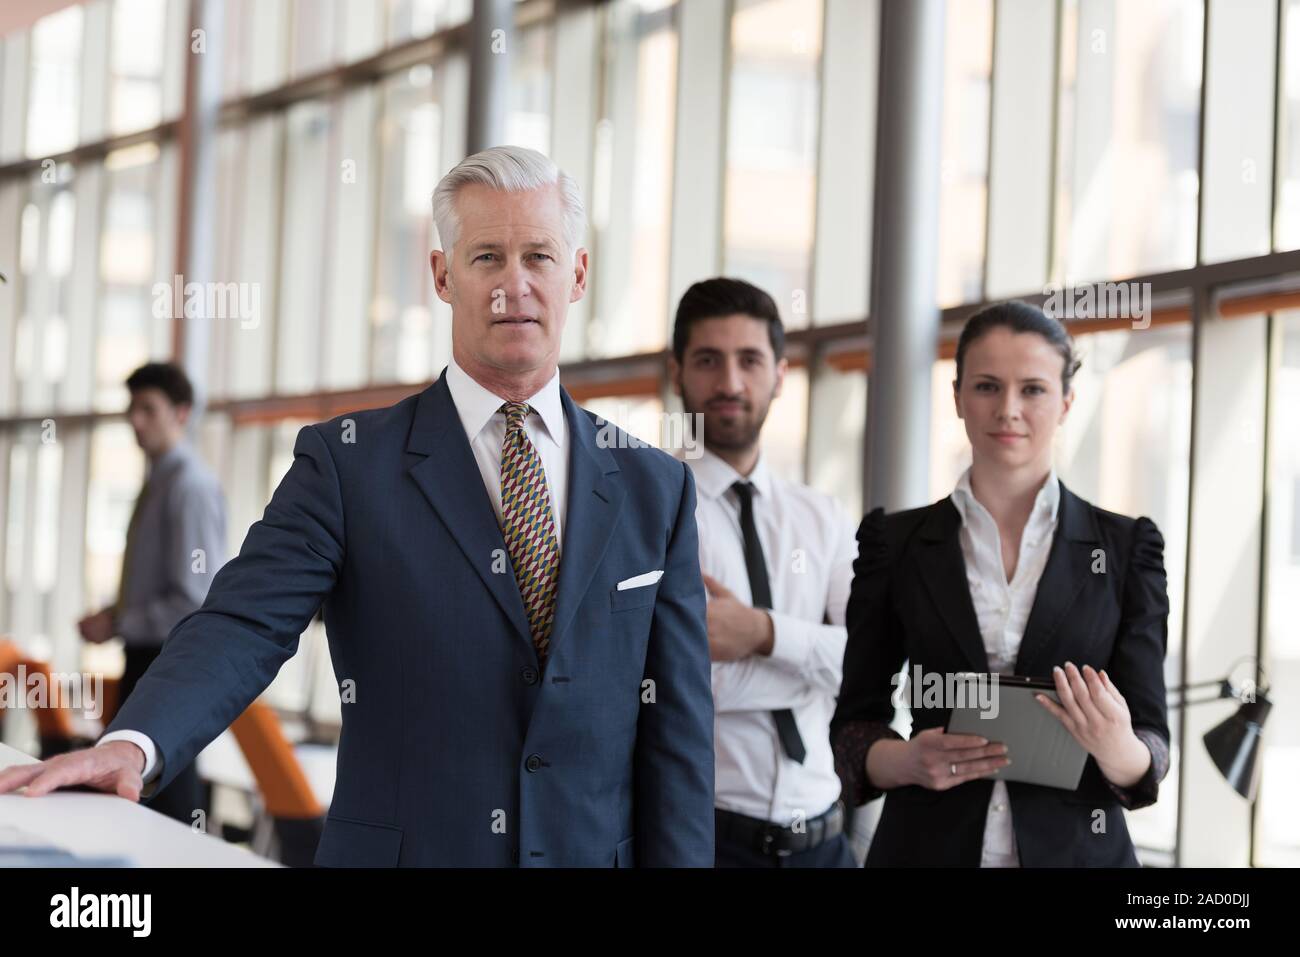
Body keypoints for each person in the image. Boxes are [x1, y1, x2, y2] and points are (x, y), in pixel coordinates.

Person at [1, 146, 715, 868]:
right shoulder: (348, 463)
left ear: (579, 274)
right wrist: (133, 741)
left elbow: (679, 734)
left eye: (539, 256)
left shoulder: (654, 486)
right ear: (443, 275)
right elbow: (243, 622)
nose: (515, 285)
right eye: (487, 258)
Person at [831, 301, 1170, 867]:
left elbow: (1152, 744)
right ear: (958, 395)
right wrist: (908, 760)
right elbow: (853, 729)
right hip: (924, 850)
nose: (1008, 409)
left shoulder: (1127, 549)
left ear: (1065, 402)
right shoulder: (895, 543)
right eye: (987, 386)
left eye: (1032, 389)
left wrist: (1120, 750)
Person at [670, 277, 858, 867]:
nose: (729, 383)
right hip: (709, 841)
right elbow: (680, 688)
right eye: (708, 360)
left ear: (780, 373)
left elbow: (870, 667)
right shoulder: (651, 511)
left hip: (827, 843)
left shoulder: (821, 516)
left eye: (749, 360)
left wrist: (763, 635)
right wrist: (814, 666)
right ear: (678, 372)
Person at [76, 362, 225, 824]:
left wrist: (120, 622)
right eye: (131, 409)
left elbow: (195, 600)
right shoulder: (157, 482)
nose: (135, 421)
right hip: (142, 658)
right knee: (137, 798)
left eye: (149, 409)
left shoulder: (190, 487)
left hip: (168, 661)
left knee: (166, 804)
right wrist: (114, 615)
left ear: (181, 413)